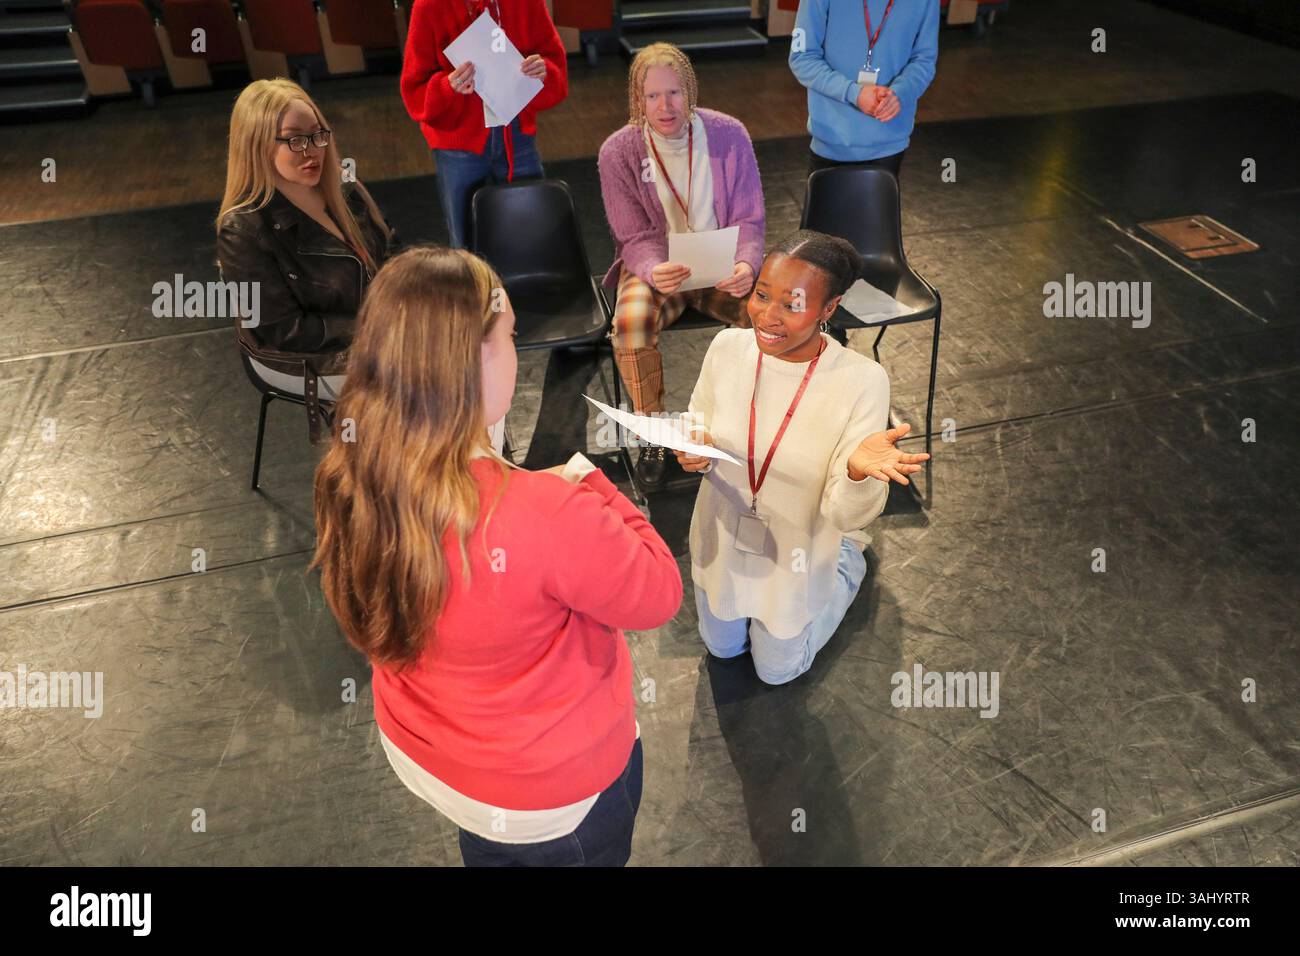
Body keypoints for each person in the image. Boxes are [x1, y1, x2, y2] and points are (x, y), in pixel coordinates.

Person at [312, 246, 682, 867]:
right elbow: (658, 592)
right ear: (472, 361)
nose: (517, 353)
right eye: (509, 336)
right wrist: (589, 480)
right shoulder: (546, 512)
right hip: (554, 795)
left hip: (436, 760)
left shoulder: (353, 473)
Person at [673, 231, 929, 685]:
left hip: (796, 554)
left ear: (829, 309)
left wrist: (854, 472)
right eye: (761, 295)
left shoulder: (861, 381)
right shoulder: (726, 349)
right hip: (723, 539)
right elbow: (698, 417)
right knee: (722, 648)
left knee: (777, 673)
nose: (767, 317)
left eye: (791, 305)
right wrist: (693, 447)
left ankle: (848, 561)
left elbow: (845, 509)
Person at [598, 42, 766, 491]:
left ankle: (759, 424)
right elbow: (631, 235)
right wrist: (653, 269)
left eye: (673, 93)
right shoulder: (618, 152)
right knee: (629, 323)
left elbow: (749, 217)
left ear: (689, 91)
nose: (665, 106)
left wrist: (748, 264)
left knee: (770, 313)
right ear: (638, 99)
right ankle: (653, 434)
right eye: (652, 96)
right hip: (659, 269)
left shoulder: (729, 134)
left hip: (723, 263)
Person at [216, 78, 393, 419]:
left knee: (467, 343)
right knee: (426, 374)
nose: (311, 150)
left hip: (376, 332)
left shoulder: (342, 187)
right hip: (299, 358)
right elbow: (280, 330)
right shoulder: (242, 229)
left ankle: (481, 465)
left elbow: (391, 252)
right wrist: (378, 329)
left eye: (317, 134)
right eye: (295, 139)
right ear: (257, 145)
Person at [400, 0, 568, 248]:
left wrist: (543, 71)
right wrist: (448, 87)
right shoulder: (429, 6)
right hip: (458, 144)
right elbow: (414, 88)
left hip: (516, 134)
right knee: (467, 239)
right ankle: (474, 288)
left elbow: (554, 66)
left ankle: (522, 287)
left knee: (532, 231)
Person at [789, 0, 939, 178]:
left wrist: (899, 94)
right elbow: (802, 57)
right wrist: (854, 93)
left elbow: (924, 60)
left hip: (890, 141)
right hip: (832, 138)